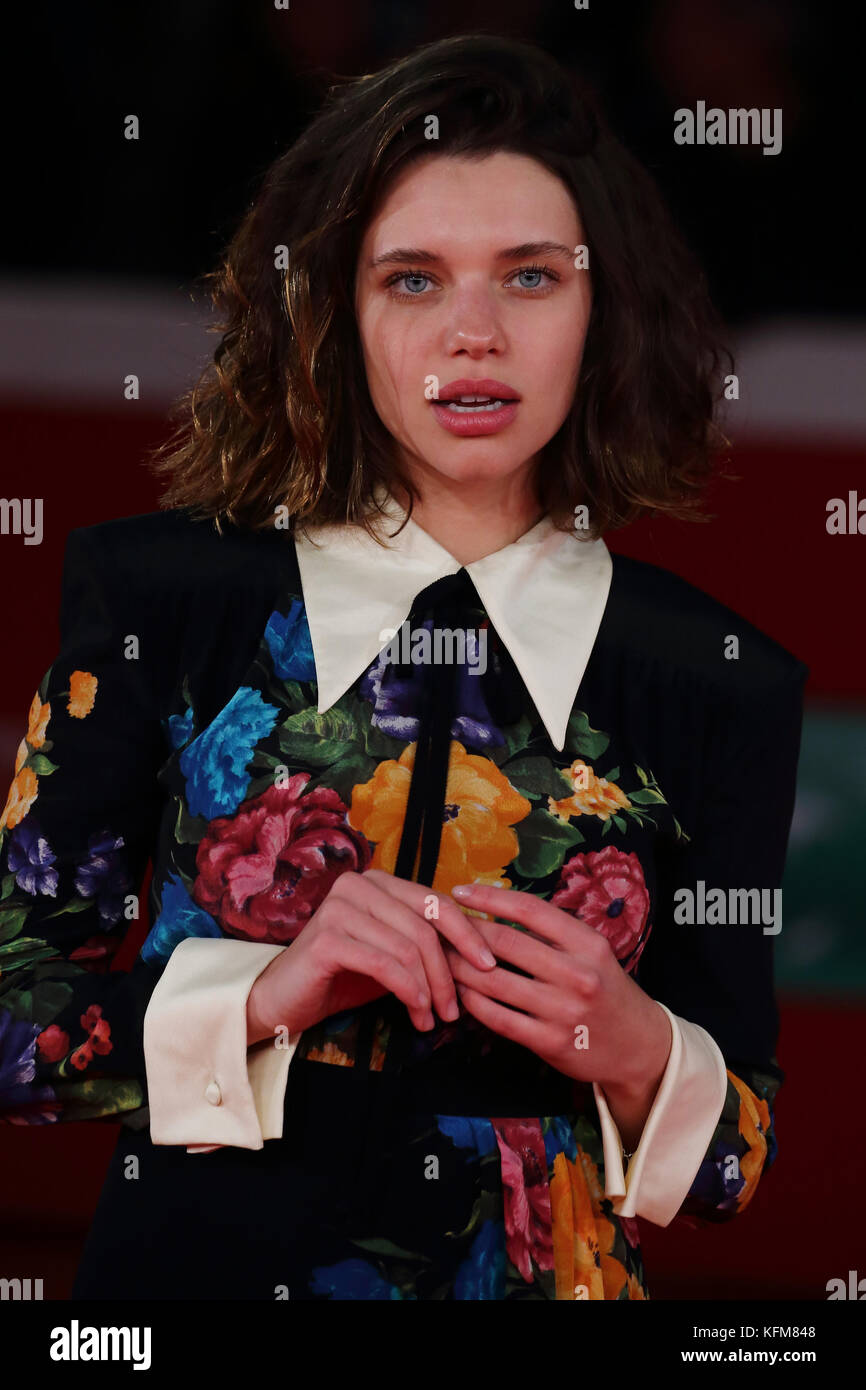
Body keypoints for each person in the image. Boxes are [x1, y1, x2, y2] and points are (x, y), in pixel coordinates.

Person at [0, 34, 807, 1301]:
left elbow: (729, 1163)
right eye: (413, 279)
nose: (474, 333)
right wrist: (266, 989)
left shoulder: (715, 676)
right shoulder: (163, 599)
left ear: (604, 313)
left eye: (531, 277)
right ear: (331, 308)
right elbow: (18, 1032)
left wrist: (641, 1044)